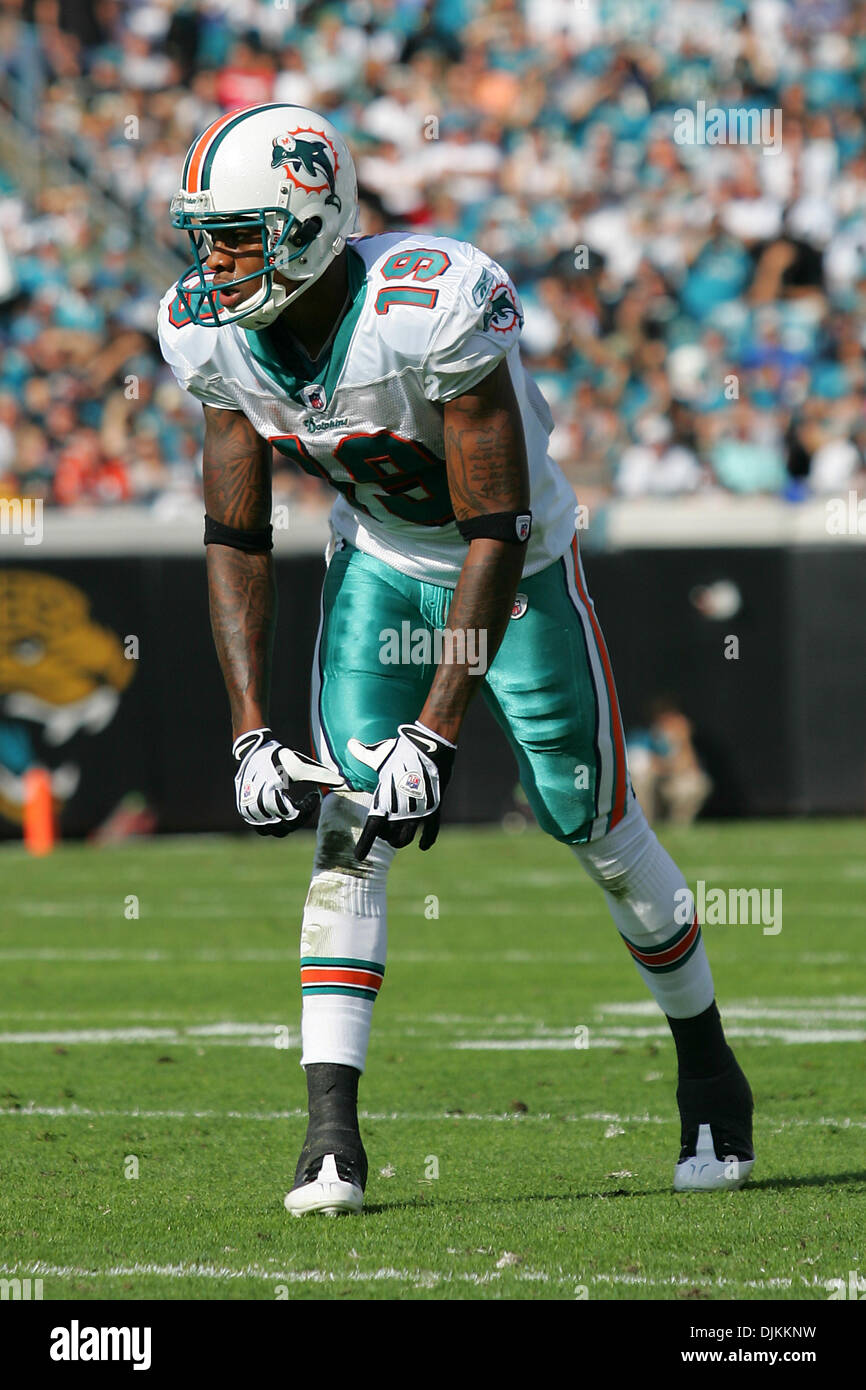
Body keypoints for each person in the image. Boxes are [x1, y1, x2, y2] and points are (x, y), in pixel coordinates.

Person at [158, 104, 755, 1216]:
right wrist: (247, 727)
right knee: (350, 835)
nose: (214, 262)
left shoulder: (428, 302)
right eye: (206, 235)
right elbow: (235, 534)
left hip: (514, 574)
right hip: (380, 559)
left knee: (599, 832)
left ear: (308, 224)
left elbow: (497, 526)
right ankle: (330, 1135)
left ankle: (710, 1066)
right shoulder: (209, 336)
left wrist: (436, 730)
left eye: (236, 234)